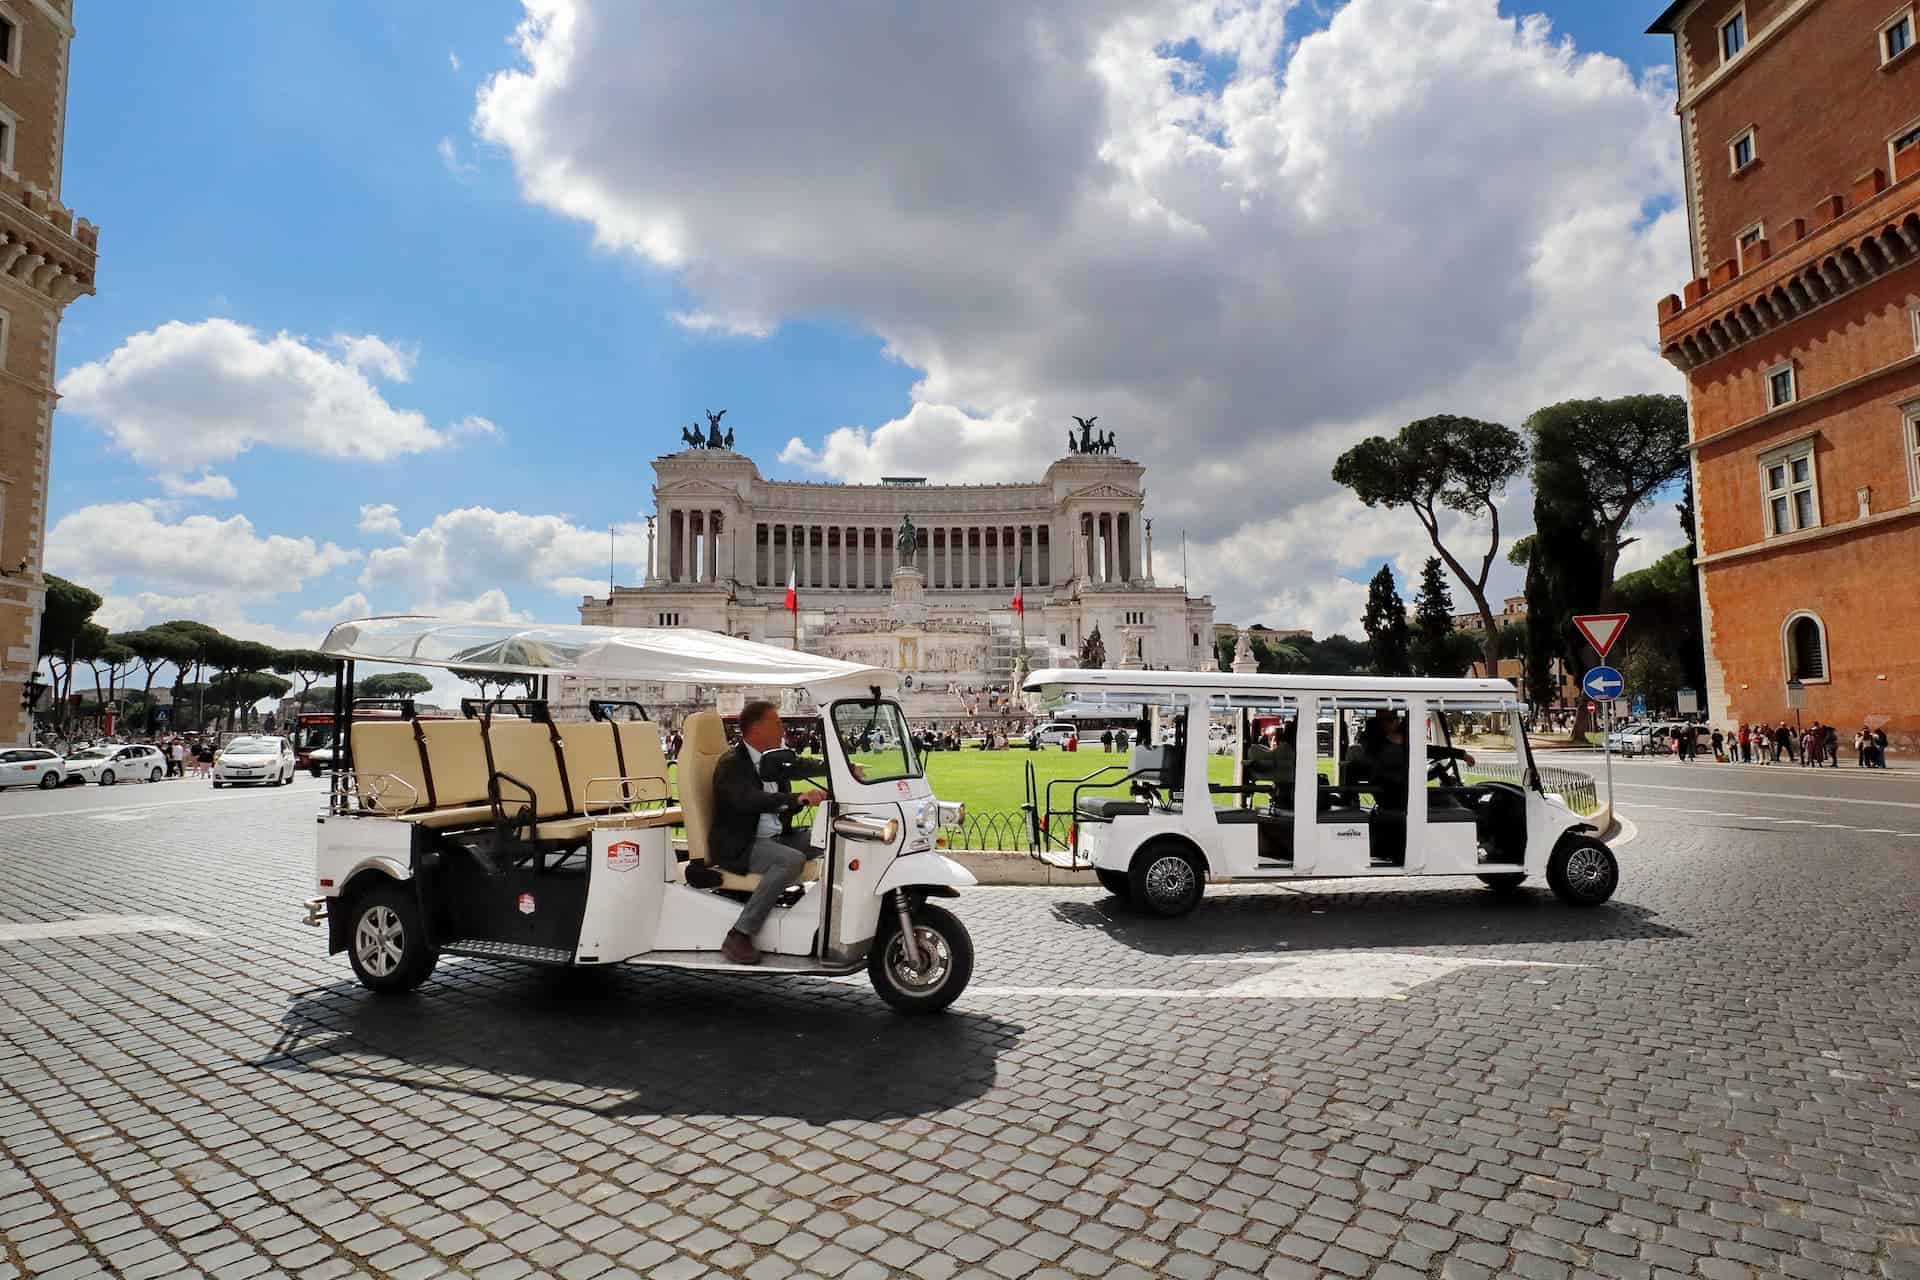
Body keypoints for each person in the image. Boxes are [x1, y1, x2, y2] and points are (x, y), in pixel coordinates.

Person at [709, 700, 829, 966]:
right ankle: (740, 933)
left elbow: (801, 766)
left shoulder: (773, 759)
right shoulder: (732, 764)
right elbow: (751, 800)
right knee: (791, 860)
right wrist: (798, 798)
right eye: (777, 722)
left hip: (777, 836)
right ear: (757, 729)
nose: (783, 728)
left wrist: (838, 768)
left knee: (829, 835)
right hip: (742, 843)